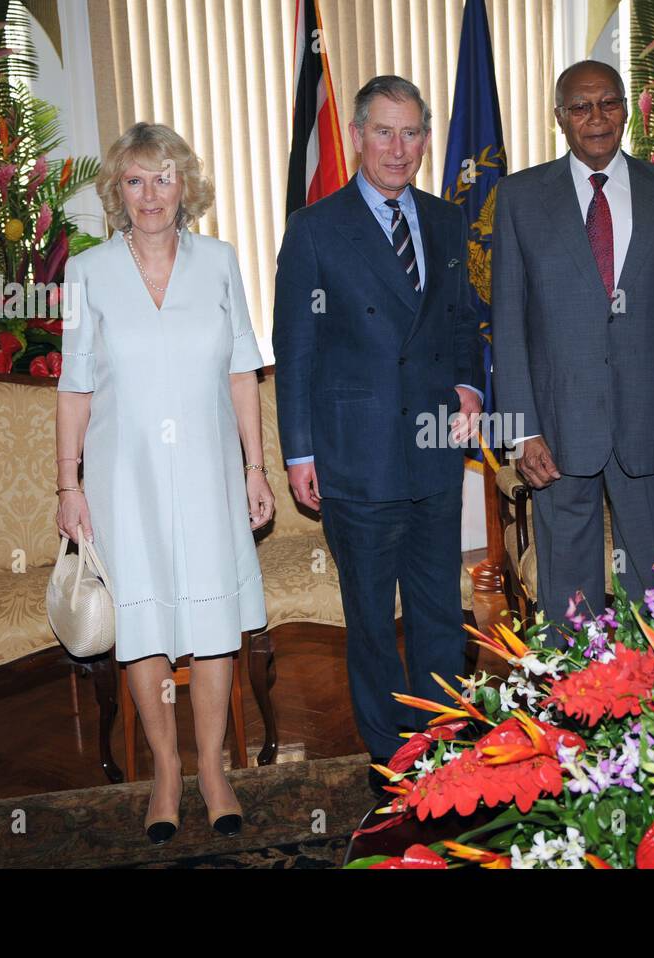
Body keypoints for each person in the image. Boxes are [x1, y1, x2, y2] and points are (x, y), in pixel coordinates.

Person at [55, 122, 274, 845]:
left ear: (187, 185)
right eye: (136, 179)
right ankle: (166, 773)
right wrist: (69, 484)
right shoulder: (87, 272)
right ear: (118, 190)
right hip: (126, 480)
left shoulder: (218, 262)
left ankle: (213, 771)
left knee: (212, 631)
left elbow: (243, 370)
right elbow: (75, 387)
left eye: (164, 177)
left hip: (210, 474)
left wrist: (254, 467)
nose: (151, 194)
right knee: (144, 626)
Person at [272, 76, 483, 795]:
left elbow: (460, 323)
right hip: (354, 455)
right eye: (385, 132)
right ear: (358, 135)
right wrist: (299, 452)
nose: (400, 148)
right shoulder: (314, 228)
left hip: (431, 448)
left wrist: (470, 385)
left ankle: (445, 741)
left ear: (427, 139)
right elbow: (295, 347)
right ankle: (391, 758)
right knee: (369, 615)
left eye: (413, 132)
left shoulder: (447, 219)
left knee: (436, 608)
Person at [492, 59, 654, 636]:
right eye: (581, 106)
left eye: (608, 103)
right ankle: (574, 706)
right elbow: (508, 324)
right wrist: (521, 430)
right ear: (560, 117)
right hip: (558, 428)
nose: (596, 117)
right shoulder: (519, 197)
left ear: (626, 110)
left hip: (648, 422)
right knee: (568, 588)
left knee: (653, 580)